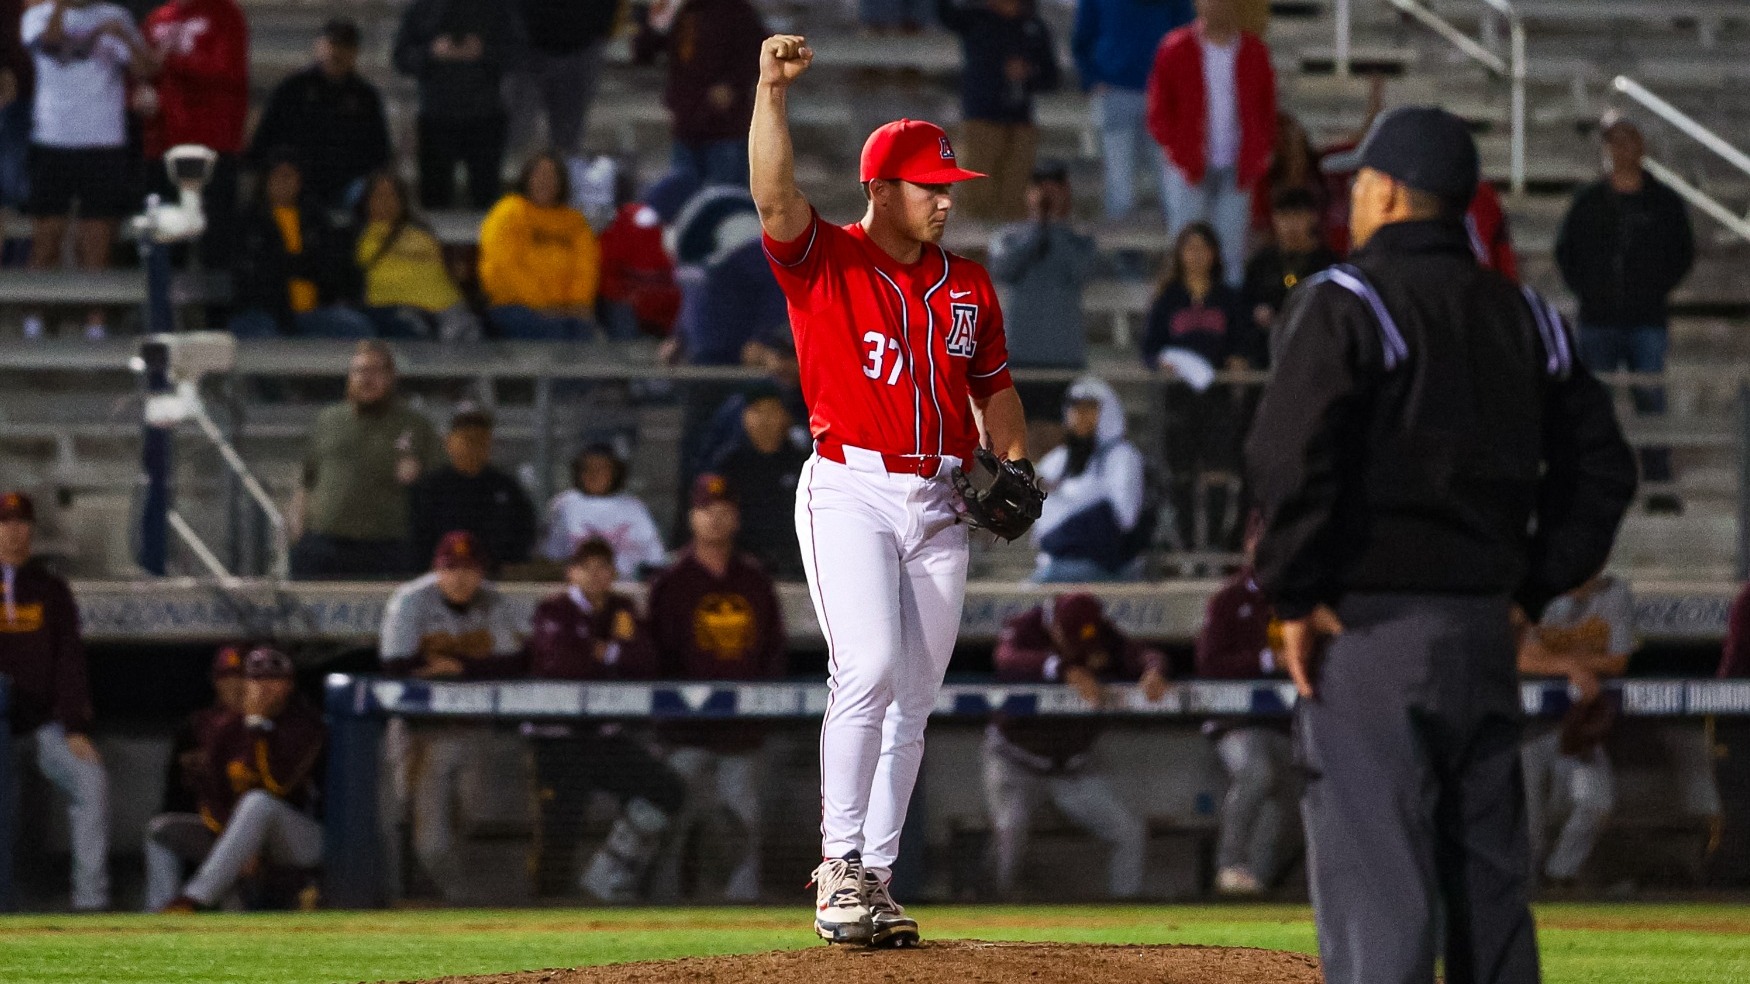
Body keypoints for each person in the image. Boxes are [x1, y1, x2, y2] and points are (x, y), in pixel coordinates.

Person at [1245, 107, 1638, 984]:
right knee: (1489, 889)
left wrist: (1294, 594)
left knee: (1381, 890)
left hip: (1369, 631)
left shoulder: (1345, 302)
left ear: (1384, 193)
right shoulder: (1526, 314)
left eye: (1360, 186)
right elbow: (1606, 469)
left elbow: (1287, 460)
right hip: (1482, 636)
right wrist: (1529, 589)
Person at [752, 36, 1033, 946]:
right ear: (880, 189)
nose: (944, 198)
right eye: (927, 185)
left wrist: (1016, 461)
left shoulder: (968, 285)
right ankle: (836, 865)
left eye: (947, 185)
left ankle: (873, 875)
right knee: (866, 669)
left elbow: (994, 386)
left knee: (914, 694)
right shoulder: (823, 258)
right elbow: (771, 195)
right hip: (852, 489)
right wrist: (770, 92)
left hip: (944, 498)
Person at [646, 474, 787, 900]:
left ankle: (743, 908)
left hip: (741, 736)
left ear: (737, 518)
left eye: (724, 510)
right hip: (682, 734)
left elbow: (772, 649)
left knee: (743, 826)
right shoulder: (671, 581)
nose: (716, 518)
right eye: (707, 510)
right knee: (667, 822)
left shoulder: (753, 579)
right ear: (692, 516)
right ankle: (660, 904)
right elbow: (654, 656)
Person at [525, 537, 688, 902]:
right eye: (587, 567)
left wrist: (604, 650)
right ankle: (546, 909)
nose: (596, 575)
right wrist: (614, 652)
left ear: (613, 573)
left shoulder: (622, 608)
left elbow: (646, 662)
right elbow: (561, 665)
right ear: (572, 572)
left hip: (606, 737)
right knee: (559, 827)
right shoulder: (554, 610)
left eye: (603, 567)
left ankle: (607, 873)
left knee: (666, 790)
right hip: (558, 740)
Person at [984, 593, 1167, 899]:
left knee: (1128, 831)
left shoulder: (1101, 632)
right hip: (1015, 761)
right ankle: (991, 917)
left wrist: (1154, 671)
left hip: (1073, 766)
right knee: (1009, 832)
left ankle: (1127, 915)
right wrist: (1061, 667)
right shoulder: (1027, 626)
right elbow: (1006, 659)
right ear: (1055, 629)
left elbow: (1144, 655)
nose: (1084, 653)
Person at [1555, 113, 1695, 513]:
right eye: (1614, 142)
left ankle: (1658, 483)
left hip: (1645, 318)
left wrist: (1653, 288)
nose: (1622, 150)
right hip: (1599, 318)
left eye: (1628, 141)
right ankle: (1588, 483)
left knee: (1650, 400)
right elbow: (1567, 253)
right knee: (1594, 405)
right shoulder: (1588, 203)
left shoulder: (1663, 202)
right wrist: (1590, 289)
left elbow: (1680, 253)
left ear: (1641, 148)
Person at [379, 531, 527, 902]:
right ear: (437, 571)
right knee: (413, 827)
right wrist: (480, 666)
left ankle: (460, 899)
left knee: (469, 825)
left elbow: (517, 662)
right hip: (421, 732)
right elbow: (396, 665)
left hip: (474, 730)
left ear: (481, 573)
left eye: (469, 569)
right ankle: (426, 898)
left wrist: (457, 666)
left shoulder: (495, 601)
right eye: (452, 569)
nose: (460, 578)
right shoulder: (411, 601)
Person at [0, 491, 109, 910]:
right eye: (6, 524)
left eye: (22, 524)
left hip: (44, 724)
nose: (15, 533)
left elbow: (69, 661)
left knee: (91, 780)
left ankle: (90, 903)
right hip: (0, 726)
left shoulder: (50, 589)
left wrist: (76, 726)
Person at [159, 647, 326, 913]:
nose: (264, 687)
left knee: (258, 801)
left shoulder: (305, 724)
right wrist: (237, 841)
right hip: (249, 837)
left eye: (274, 679)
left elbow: (279, 784)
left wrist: (260, 728)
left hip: (305, 837)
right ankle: (161, 911)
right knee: (162, 831)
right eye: (256, 679)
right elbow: (211, 791)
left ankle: (193, 900)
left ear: (289, 685)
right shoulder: (229, 727)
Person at [21, 0, 149, 341]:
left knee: (97, 241)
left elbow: (145, 69)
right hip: (53, 138)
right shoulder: (38, 15)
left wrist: (125, 36)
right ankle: (34, 320)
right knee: (46, 237)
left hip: (103, 141)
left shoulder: (116, 15)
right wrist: (63, 8)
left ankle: (96, 324)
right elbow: (50, 47)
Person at [1194, 514, 1295, 895]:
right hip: (1234, 718)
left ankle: (1254, 882)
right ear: (1249, 544)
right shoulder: (1230, 597)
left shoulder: (1294, 596)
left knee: (1284, 791)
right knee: (1256, 772)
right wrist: (1270, 660)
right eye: (1260, 541)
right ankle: (1229, 866)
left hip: (1284, 720)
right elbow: (1209, 662)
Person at [1145, 0, 1276, 284]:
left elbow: (1266, 107)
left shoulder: (1254, 51)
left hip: (1237, 167)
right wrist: (1176, 148)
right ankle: (1183, 317)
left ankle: (1227, 320)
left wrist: (1260, 149)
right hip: (1188, 167)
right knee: (1185, 248)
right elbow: (1158, 109)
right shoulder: (1175, 48)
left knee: (1231, 252)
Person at [1140, 222, 1253, 552]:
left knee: (1219, 469)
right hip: (1178, 397)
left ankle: (1217, 541)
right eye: (1189, 248)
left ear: (1215, 254)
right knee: (1183, 472)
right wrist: (1161, 362)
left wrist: (1238, 359)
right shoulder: (1168, 299)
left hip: (1216, 395)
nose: (1196, 256)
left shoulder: (1228, 298)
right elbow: (1150, 347)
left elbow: (1242, 340)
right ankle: (1188, 543)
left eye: (1203, 248)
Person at [290, 342, 444, 580]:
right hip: (323, 545)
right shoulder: (328, 420)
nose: (366, 378)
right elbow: (307, 480)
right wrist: (297, 527)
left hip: (384, 548)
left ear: (390, 376)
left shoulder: (413, 424)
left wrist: (418, 473)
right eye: (359, 371)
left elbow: (440, 480)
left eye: (375, 371)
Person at [1518, 574, 1634, 887]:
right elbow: (1518, 655)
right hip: (1527, 728)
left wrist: (1555, 660)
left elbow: (1617, 660)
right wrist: (1572, 666)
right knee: (1531, 830)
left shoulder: (1614, 592)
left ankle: (1560, 877)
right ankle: (1529, 895)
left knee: (1596, 801)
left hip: (1575, 728)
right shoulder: (1532, 587)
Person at [139, 0, 247, 265]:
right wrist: (138, 94)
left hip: (211, 145)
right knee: (165, 243)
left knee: (216, 242)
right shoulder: (157, 18)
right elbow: (140, 72)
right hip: (163, 144)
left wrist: (171, 62)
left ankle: (216, 308)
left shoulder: (224, 14)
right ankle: (165, 306)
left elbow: (224, 68)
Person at [227, 151, 375, 340]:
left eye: (290, 175)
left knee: (356, 327)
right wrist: (298, 265)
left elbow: (329, 266)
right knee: (260, 335)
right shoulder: (248, 221)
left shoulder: (315, 219)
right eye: (278, 175)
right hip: (262, 312)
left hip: (314, 311)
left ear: (300, 181)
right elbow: (254, 273)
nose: (284, 181)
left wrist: (289, 264)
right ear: (265, 180)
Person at [143, 643, 247, 912]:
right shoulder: (196, 726)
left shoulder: (263, 725)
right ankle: (161, 913)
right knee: (159, 830)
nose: (235, 685)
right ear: (215, 682)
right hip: (209, 830)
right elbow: (175, 794)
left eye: (242, 677)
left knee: (237, 911)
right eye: (227, 677)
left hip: (251, 838)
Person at [393, 0, 525, 210]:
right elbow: (401, 58)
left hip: (485, 116)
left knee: (486, 199)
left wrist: (483, 51)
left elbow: (517, 53)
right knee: (434, 198)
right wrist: (432, 52)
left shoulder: (498, 7)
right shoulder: (424, 7)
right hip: (437, 117)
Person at [246, 19, 390, 210]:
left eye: (345, 46)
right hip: (298, 181)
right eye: (332, 44)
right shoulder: (293, 89)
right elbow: (265, 139)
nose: (336, 52)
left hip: (347, 184)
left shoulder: (365, 97)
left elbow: (379, 150)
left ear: (355, 53)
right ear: (318, 46)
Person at [935, 0, 1059, 222]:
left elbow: (1051, 78)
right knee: (975, 196)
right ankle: (971, 254)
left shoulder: (1033, 26)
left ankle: (1008, 254)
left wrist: (1028, 74)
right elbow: (944, 13)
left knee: (1015, 197)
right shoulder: (975, 19)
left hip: (1020, 122)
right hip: (982, 119)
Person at [1070, 0, 1191, 223]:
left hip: (1163, 96)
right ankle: (1124, 256)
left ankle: (1179, 252)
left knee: (1170, 183)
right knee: (1120, 185)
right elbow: (1081, 40)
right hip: (1115, 93)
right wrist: (1093, 78)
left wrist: (1179, 87)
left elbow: (1187, 35)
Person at [987, 164, 1096, 394]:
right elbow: (1004, 269)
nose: (1047, 195)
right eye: (1039, 188)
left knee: (1058, 428)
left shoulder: (1080, 240)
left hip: (1064, 355)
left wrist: (1054, 226)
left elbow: (1081, 272)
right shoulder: (1010, 237)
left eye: (1054, 189)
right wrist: (1037, 228)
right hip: (1019, 355)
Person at [632, 0, 765, 187]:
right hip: (686, 123)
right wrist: (657, 21)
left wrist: (733, 85)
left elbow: (756, 52)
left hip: (725, 128)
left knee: (724, 198)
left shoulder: (736, 10)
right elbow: (643, 52)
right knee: (684, 196)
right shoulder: (678, 10)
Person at [1031, 376, 1148, 582]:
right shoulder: (1058, 459)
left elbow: (1125, 518)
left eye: (1089, 410)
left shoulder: (1122, 456)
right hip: (1054, 558)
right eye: (1075, 409)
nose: (1079, 416)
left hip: (1100, 563)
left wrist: (1074, 500)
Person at [478, 151, 604, 341]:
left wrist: (578, 302)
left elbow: (585, 267)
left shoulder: (574, 221)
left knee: (584, 333)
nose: (545, 181)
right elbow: (503, 266)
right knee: (554, 333)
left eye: (551, 176)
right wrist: (543, 306)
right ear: (527, 178)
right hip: (516, 306)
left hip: (568, 310)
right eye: (539, 175)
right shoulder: (509, 211)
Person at [407, 406, 538, 577]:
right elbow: (418, 539)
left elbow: (524, 532)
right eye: (467, 439)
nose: (474, 446)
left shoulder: (506, 488)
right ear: (448, 442)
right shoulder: (431, 488)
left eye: (481, 439)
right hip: (443, 579)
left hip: (494, 581)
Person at [353, 170, 476, 341]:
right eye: (379, 195)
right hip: (394, 310)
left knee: (469, 332)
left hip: (447, 309)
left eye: (392, 195)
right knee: (414, 330)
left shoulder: (422, 232)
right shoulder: (356, 236)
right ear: (366, 201)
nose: (386, 202)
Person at [706, 390, 809, 579]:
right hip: (740, 564)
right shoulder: (730, 463)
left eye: (772, 411)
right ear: (745, 417)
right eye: (757, 411)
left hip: (796, 562)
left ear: (785, 417)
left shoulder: (802, 461)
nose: (765, 419)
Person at [1240, 186, 1337, 367]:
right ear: (1274, 219)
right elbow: (1243, 306)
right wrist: (1257, 312)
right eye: (1284, 216)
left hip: (1315, 353)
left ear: (1312, 217)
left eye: (1298, 216)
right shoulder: (1261, 263)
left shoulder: (1328, 264)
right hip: (1265, 355)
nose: (1291, 225)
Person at [540, 443, 667, 578]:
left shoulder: (633, 507)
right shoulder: (564, 505)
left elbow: (654, 558)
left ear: (616, 473)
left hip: (625, 588)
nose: (594, 474)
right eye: (587, 469)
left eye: (601, 469)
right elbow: (550, 558)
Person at [509, 0, 617, 156]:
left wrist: (598, 28)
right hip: (525, 45)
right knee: (515, 134)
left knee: (567, 144)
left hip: (581, 44)